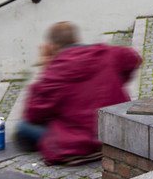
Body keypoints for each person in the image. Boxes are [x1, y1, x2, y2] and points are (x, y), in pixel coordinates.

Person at [16, 21, 141, 164]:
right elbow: (133, 58)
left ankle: (81, 150)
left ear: (52, 47)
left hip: (78, 142)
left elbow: (34, 114)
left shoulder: (54, 71)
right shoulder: (107, 53)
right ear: (77, 40)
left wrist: (45, 66)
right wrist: (118, 81)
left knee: (23, 126)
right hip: (113, 130)